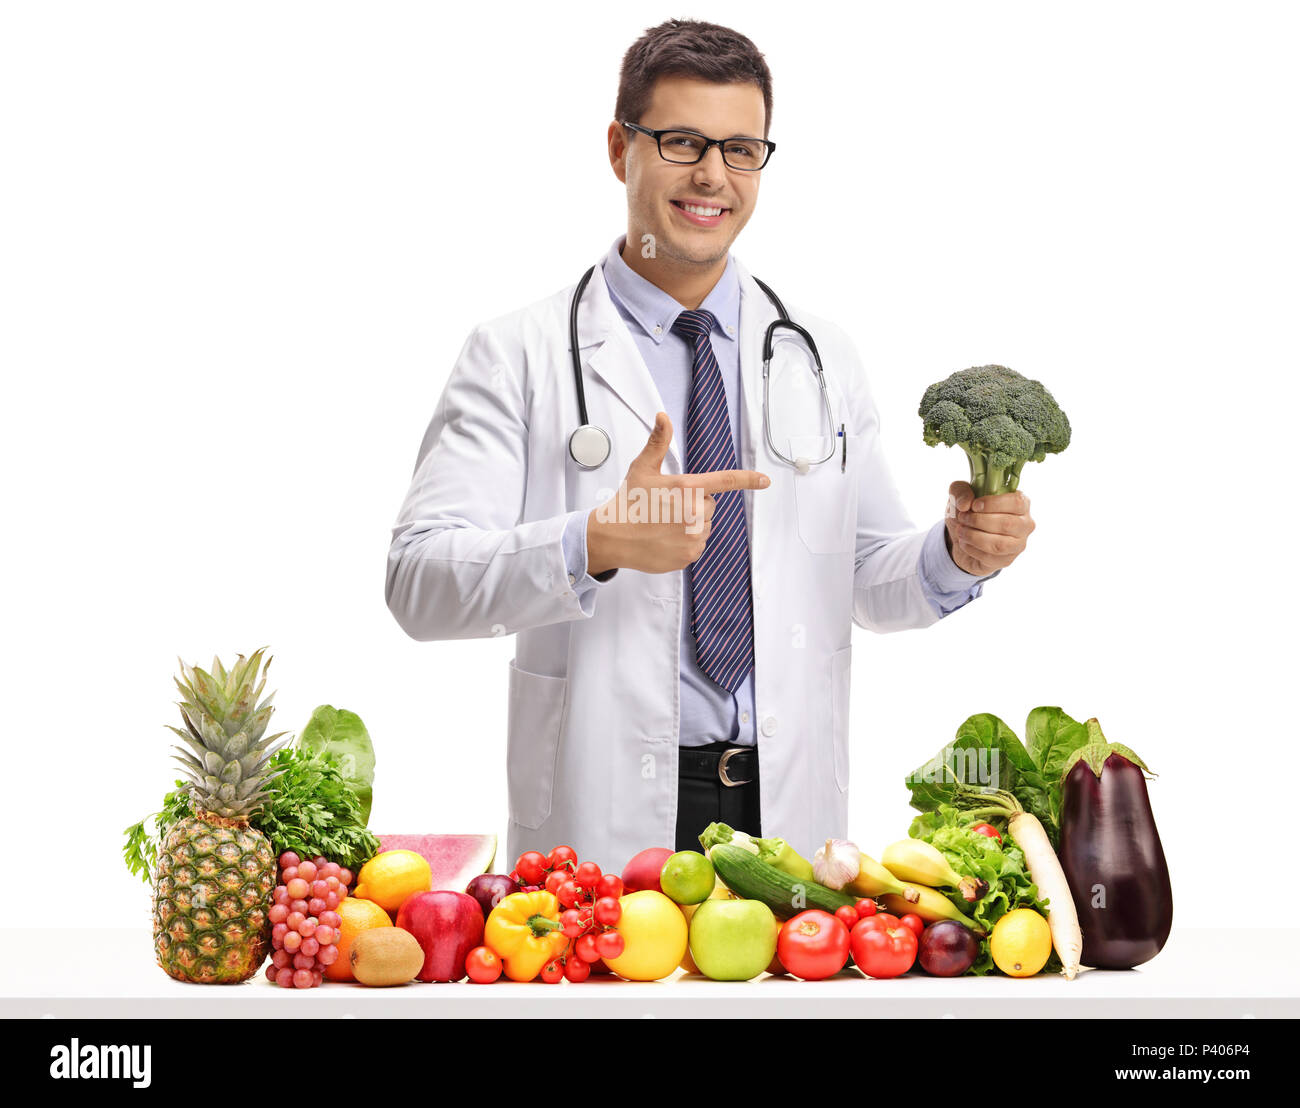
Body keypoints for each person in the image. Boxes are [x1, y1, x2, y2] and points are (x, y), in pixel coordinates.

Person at [385, 19, 1035, 866]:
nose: (712, 177)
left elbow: (869, 581)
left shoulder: (820, 354)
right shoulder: (517, 353)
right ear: (621, 149)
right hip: (603, 810)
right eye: (683, 141)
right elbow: (417, 583)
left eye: (741, 149)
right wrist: (595, 543)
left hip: (786, 807)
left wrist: (957, 553)